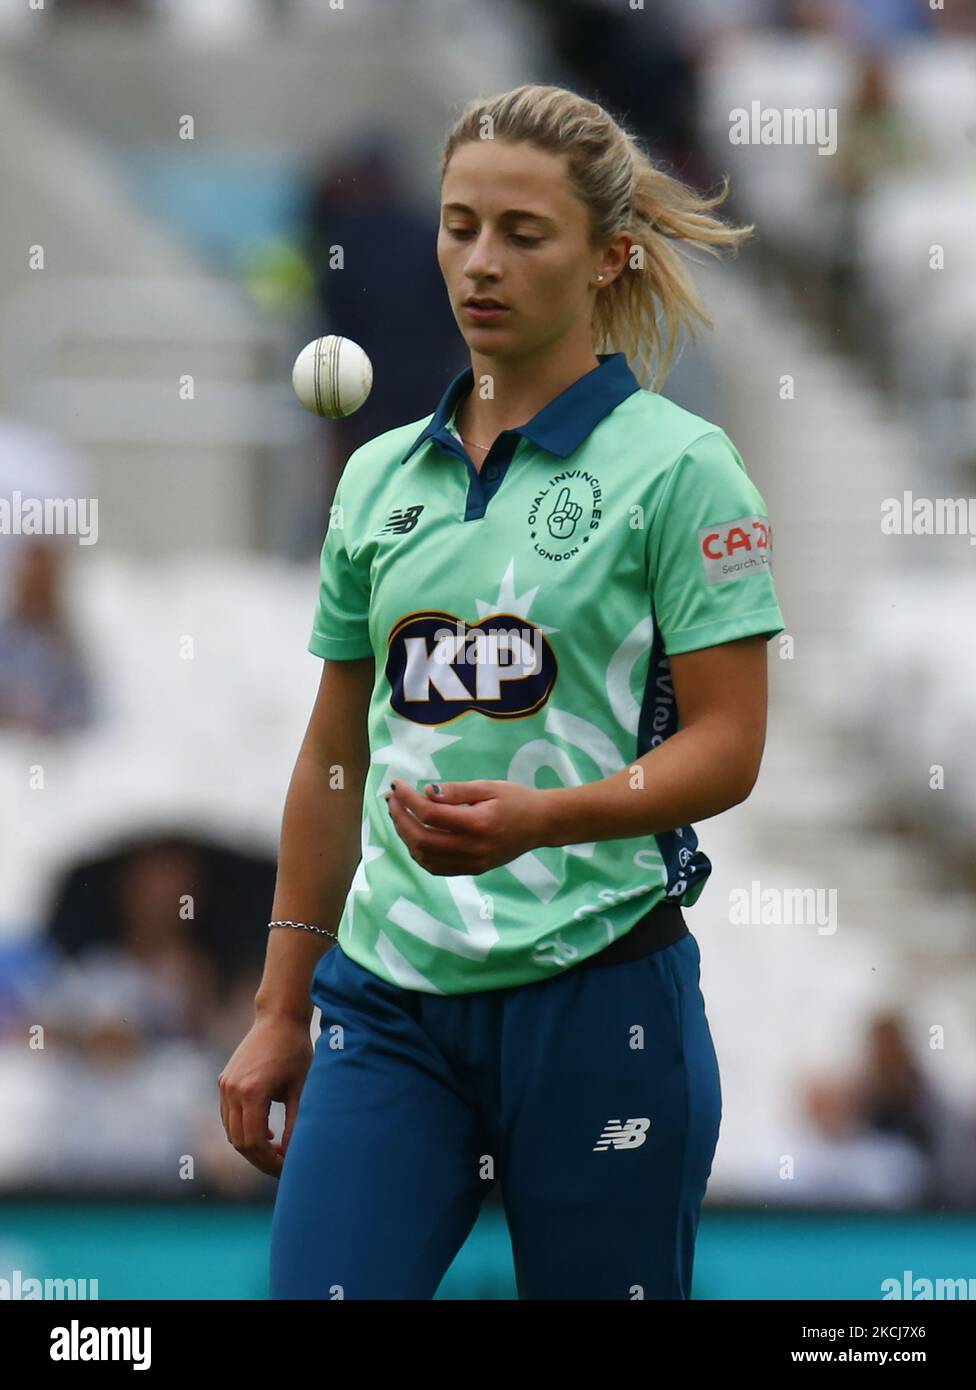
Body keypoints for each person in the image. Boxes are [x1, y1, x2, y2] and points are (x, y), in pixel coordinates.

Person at [219, 84, 786, 1300]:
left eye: (523, 234)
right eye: (458, 225)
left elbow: (731, 749)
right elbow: (333, 758)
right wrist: (279, 1007)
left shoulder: (683, 469)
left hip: (600, 1003)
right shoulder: (375, 479)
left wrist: (543, 818)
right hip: (388, 1005)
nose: (480, 262)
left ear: (606, 256)